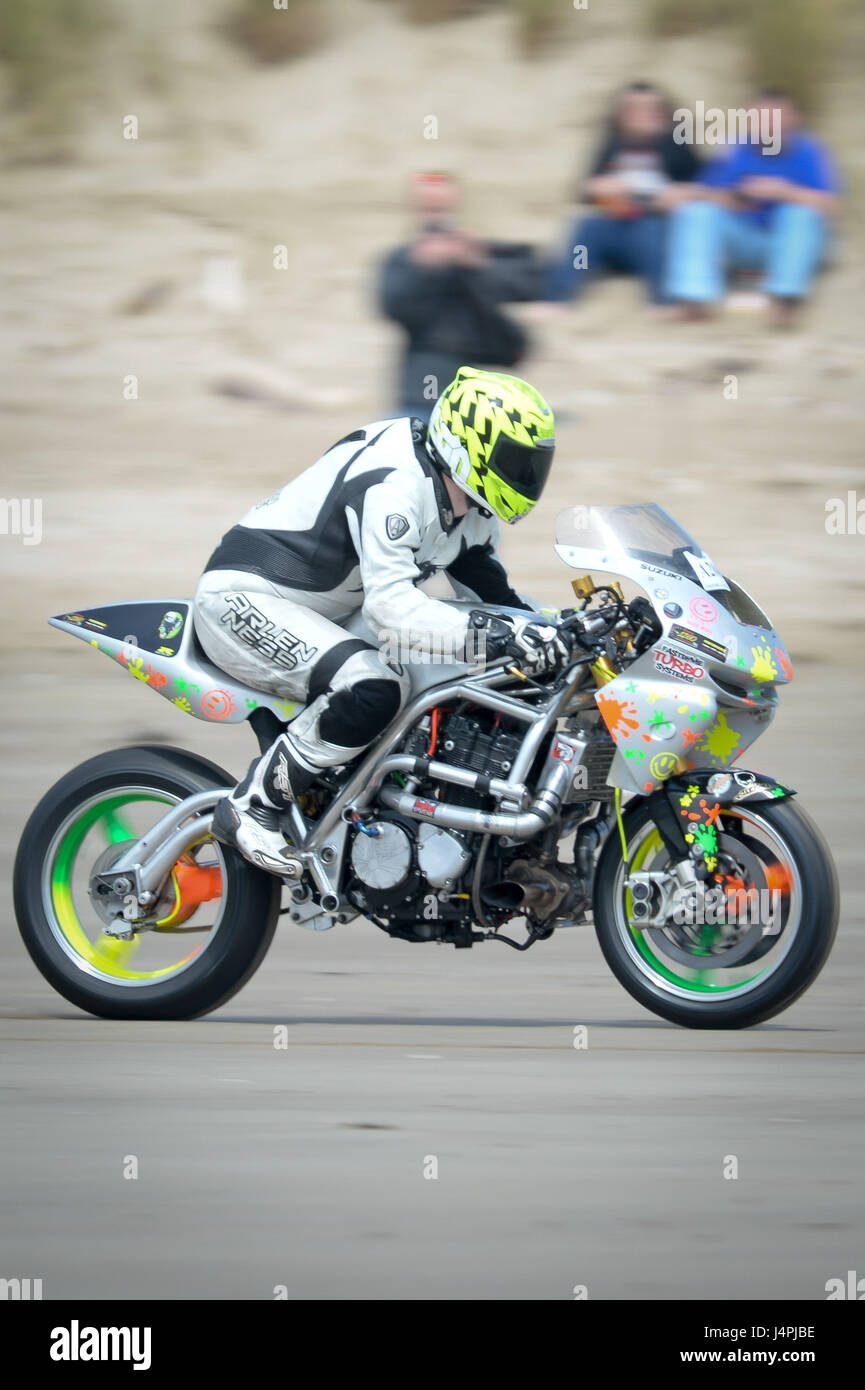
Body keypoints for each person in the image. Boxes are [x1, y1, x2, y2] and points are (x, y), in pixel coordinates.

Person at [194, 367, 566, 874]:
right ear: (470, 446)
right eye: (515, 461)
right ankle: (254, 806)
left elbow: (495, 599)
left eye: (532, 465)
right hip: (245, 597)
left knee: (460, 668)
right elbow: (391, 610)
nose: (526, 478)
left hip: (328, 610)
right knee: (375, 684)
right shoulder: (398, 485)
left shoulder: (470, 508)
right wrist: (501, 637)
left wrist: (557, 629)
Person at [663, 89, 842, 326]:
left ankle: (785, 301)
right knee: (697, 212)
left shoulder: (810, 151)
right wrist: (733, 198)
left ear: (794, 119)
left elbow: (832, 207)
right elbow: (703, 192)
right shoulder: (735, 150)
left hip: (791, 244)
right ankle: (695, 299)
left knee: (798, 214)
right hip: (744, 238)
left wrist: (784, 192)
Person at [379, 173, 543, 421]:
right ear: (416, 209)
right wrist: (427, 268)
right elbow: (393, 307)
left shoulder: (476, 251)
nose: (435, 217)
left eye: (441, 206)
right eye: (429, 207)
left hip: (481, 395)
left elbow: (533, 282)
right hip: (421, 390)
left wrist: (478, 263)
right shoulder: (405, 259)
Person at [546, 81, 700, 306]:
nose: (643, 115)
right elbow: (584, 191)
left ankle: (664, 301)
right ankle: (560, 297)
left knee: (653, 229)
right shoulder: (612, 145)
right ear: (621, 114)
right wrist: (600, 188)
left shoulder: (677, 145)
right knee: (585, 229)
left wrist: (675, 196)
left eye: (651, 108)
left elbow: (701, 187)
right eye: (634, 108)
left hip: (657, 232)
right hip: (617, 226)